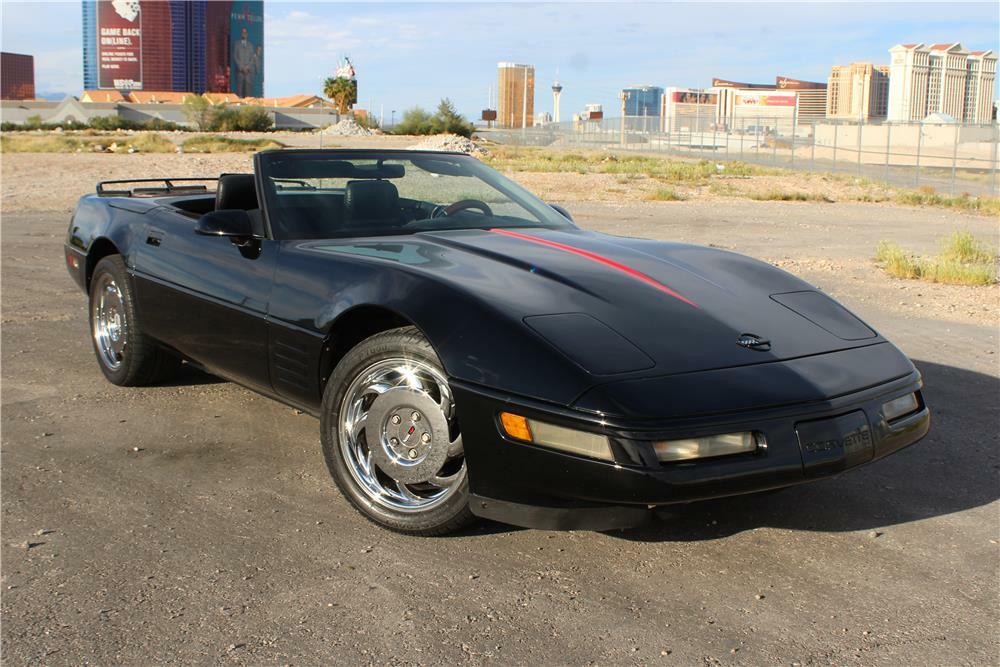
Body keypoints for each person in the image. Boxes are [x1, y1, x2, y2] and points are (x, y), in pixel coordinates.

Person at [233, 27, 255, 98]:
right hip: (240, 72)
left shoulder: (250, 45)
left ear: (247, 34)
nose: (244, 34)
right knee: (239, 90)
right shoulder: (237, 44)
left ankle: (248, 106)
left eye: (245, 33)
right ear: (241, 34)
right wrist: (241, 67)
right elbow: (235, 57)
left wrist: (248, 67)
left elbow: (252, 58)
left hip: (248, 72)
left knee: (248, 92)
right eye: (243, 33)